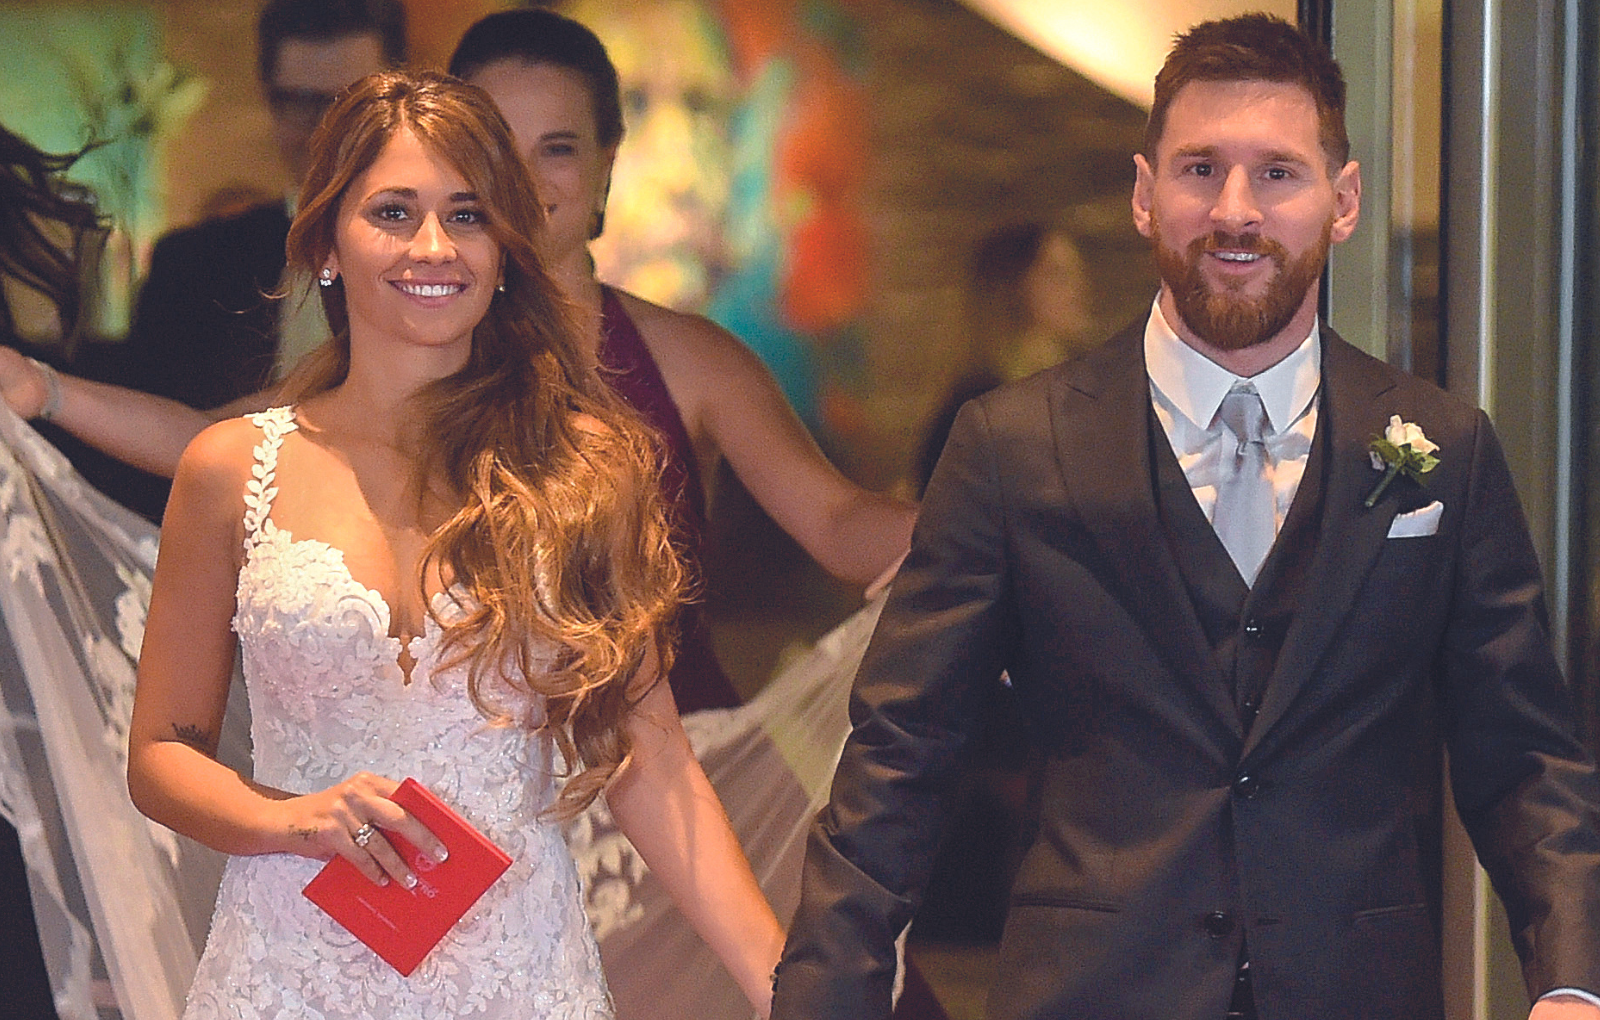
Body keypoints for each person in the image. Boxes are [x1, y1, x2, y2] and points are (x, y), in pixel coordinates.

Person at [772, 14, 1600, 1020]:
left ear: (1342, 201)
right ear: (1143, 194)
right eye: (1200, 170)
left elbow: (1524, 757)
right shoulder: (1011, 446)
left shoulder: (1442, 449)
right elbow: (901, 754)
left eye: (1278, 174)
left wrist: (1570, 981)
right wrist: (824, 996)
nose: (1235, 211)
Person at [125, 68, 783, 1019]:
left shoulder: (582, 469)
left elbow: (653, 763)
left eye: (466, 215)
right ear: (326, 243)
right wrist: (290, 819)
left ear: (504, 250)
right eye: (393, 212)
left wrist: (786, 986)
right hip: (284, 973)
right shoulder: (232, 468)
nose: (433, 246)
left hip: (518, 977)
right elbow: (161, 752)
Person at [85, 0, 403, 521]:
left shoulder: (433, 259)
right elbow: (147, 459)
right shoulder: (192, 264)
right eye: (298, 103)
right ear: (269, 101)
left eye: (348, 104)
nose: (323, 129)